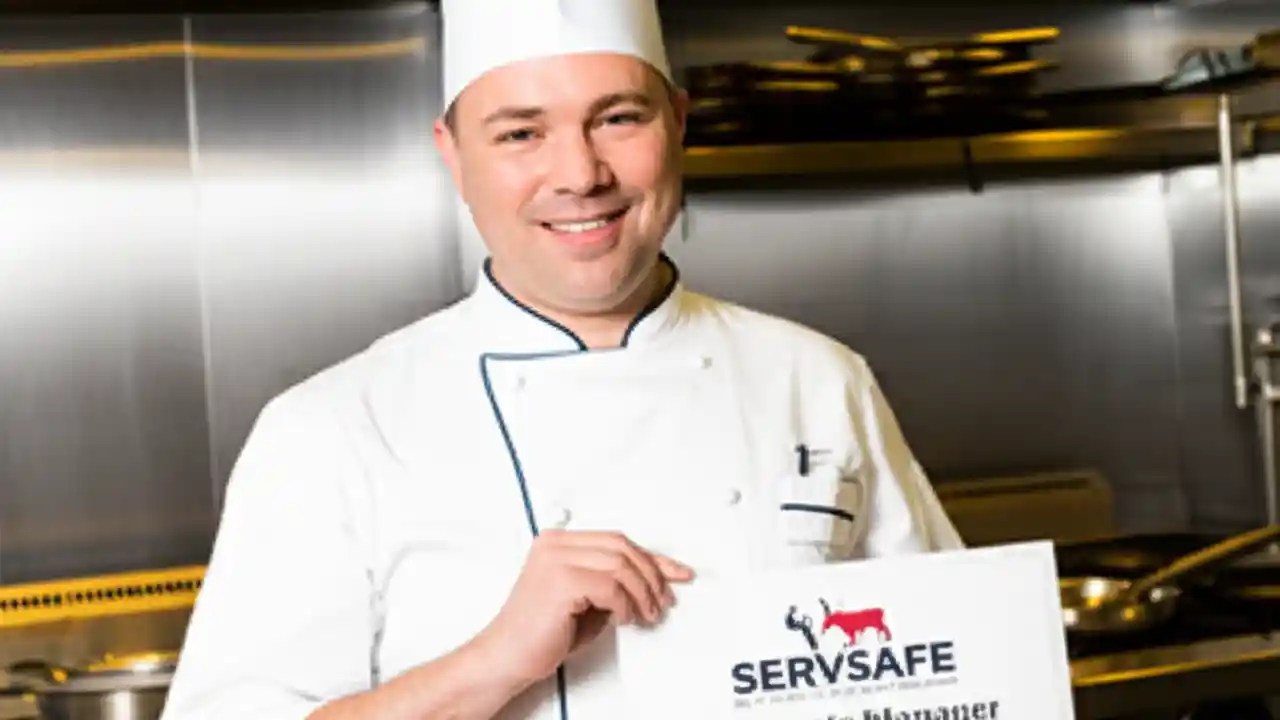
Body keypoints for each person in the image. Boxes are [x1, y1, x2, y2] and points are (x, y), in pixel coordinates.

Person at [159, 1, 963, 719]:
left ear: (678, 123)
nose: (580, 175)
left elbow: (960, 676)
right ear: (453, 153)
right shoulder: (332, 430)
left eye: (618, 118)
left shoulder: (820, 378)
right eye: (520, 133)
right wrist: (493, 663)